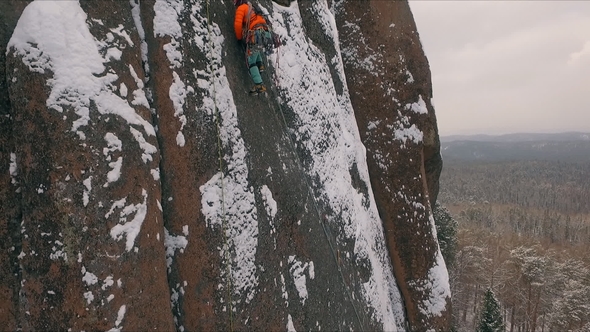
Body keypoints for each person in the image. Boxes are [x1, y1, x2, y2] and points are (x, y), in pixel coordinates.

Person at [234, 0, 270, 95]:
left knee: (250, 61)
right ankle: (260, 64)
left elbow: (238, 24)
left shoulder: (241, 8)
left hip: (256, 34)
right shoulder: (252, 7)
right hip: (265, 33)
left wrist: (239, 38)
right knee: (256, 48)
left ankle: (259, 85)